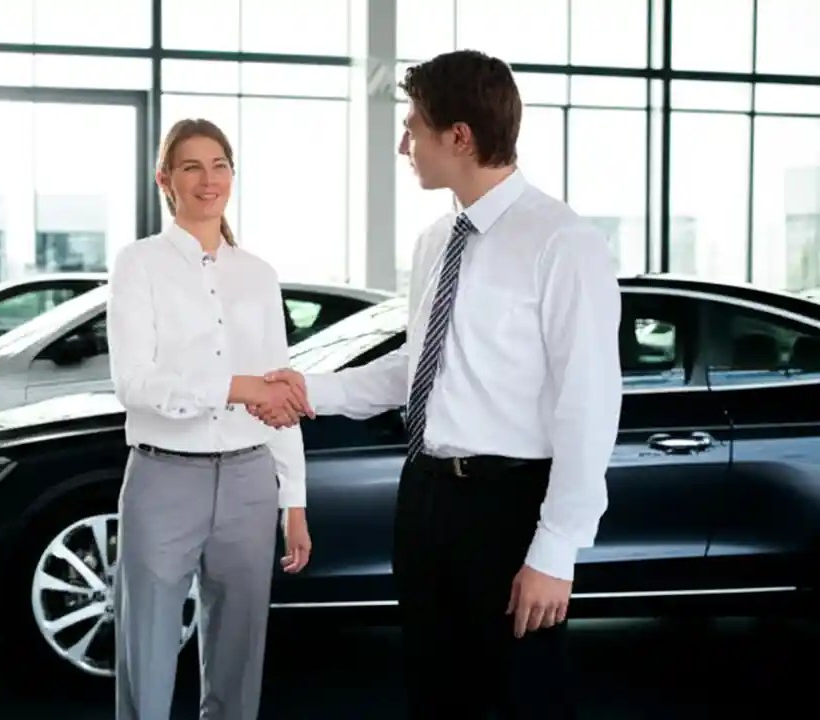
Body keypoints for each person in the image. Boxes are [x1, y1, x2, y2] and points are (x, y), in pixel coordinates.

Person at [259, 50, 622, 718]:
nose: (404, 146)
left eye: (413, 128)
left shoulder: (562, 241)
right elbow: (417, 368)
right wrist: (308, 390)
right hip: (426, 496)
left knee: (520, 698)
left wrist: (556, 549)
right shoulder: (435, 241)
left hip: (509, 505)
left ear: (459, 137)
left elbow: (590, 402)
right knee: (435, 694)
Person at [106, 117, 314, 720]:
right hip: (164, 478)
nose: (208, 180)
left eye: (219, 165)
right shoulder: (138, 264)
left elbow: (280, 393)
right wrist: (234, 387)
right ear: (164, 180)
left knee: (239, 657)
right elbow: (134, 383)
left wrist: (294, 501)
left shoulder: (258, 274)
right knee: (146, 649)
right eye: (191, 167)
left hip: (250, 479)